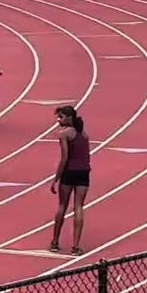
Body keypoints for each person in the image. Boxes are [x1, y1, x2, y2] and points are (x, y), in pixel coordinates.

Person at [48, 106, 90, 255]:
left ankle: (54, 242)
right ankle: (76, 246)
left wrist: (56, 178)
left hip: (69, 172)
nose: (58, 120)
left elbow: (64, 158)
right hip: (83, 172)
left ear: (69, 117)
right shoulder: (83, 134)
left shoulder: (64, 134)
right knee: (79, 207)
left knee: (62, 206)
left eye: (61, 117)